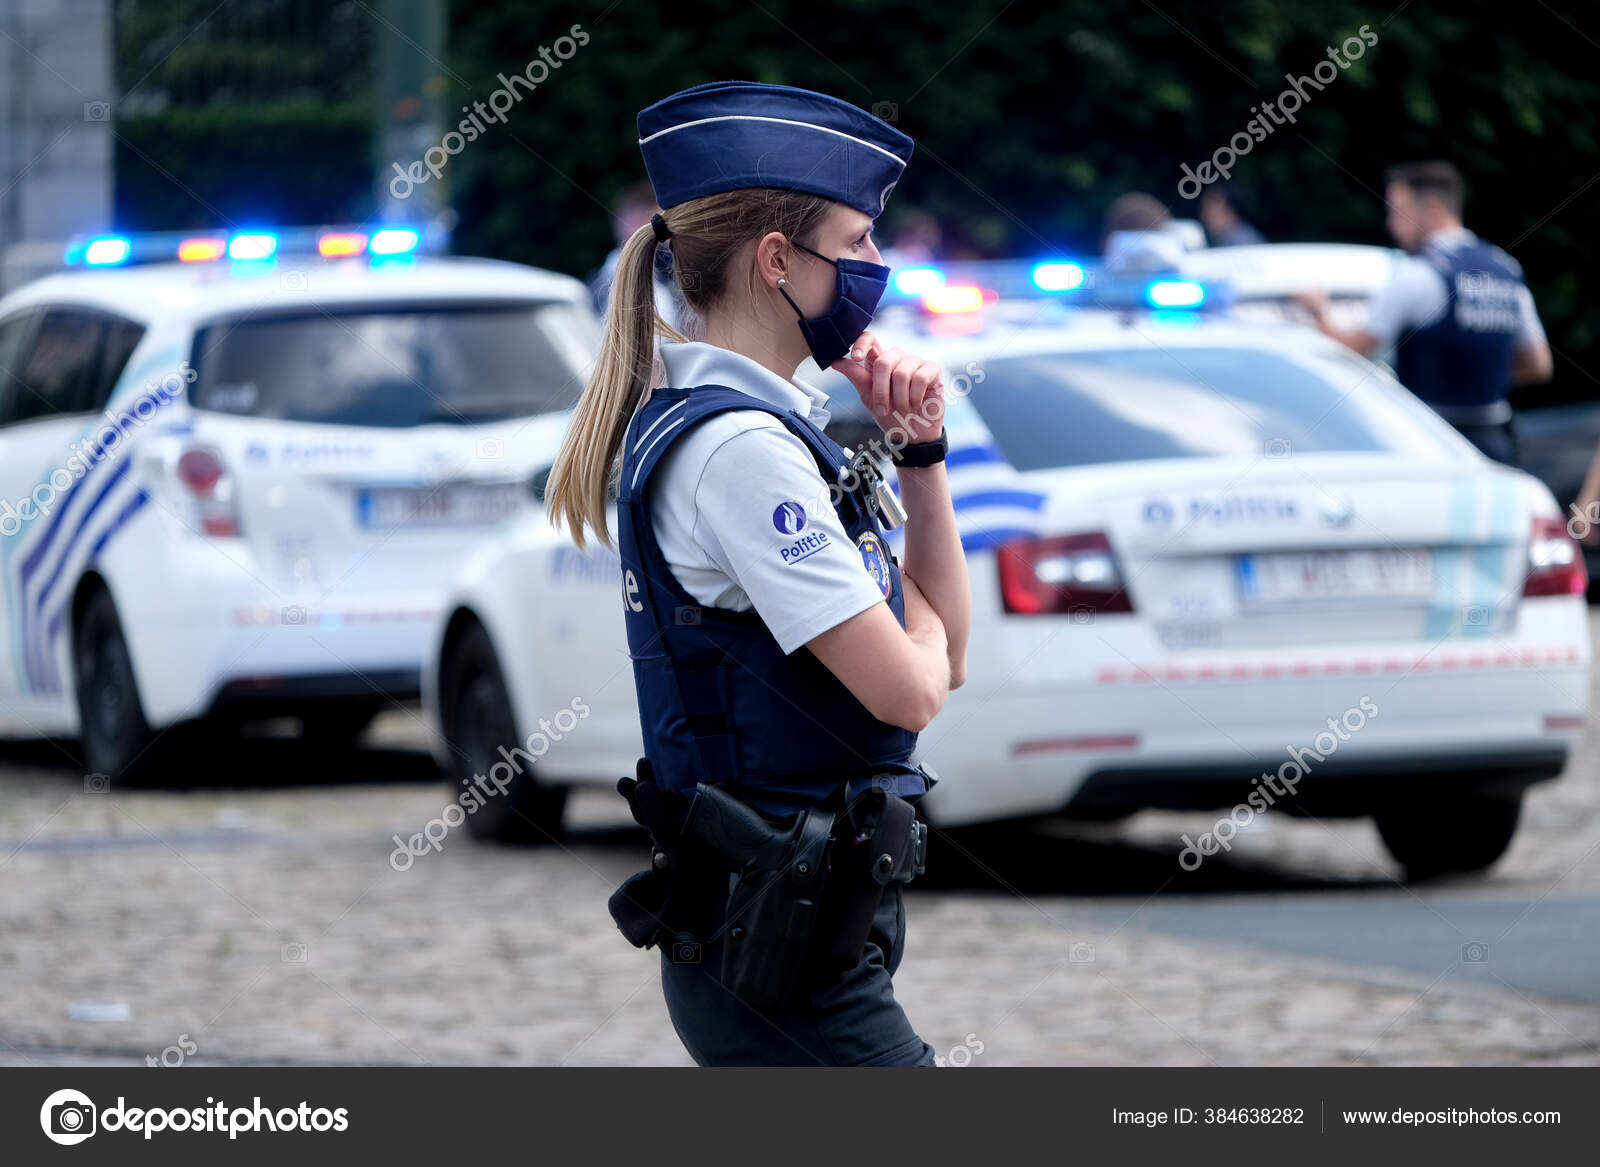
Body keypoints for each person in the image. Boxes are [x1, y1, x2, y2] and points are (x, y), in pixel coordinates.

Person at [546, 80, 970, 1067]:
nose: (875, 265)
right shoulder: (742, 451)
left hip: (811, 937)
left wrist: (923, 454)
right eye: (859, 241)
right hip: (778, 957)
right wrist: (927, 641)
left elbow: (947, 661)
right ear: (778, 261)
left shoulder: (779, 431)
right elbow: (912, 688)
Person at [1295, 161, 1552, 465]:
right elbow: (1538, 365)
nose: (1392, 224)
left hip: (1432, 446)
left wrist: (1319, 312)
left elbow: (1351, 353)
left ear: (1430, 208)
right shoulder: (1505, 268)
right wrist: (1478, 376)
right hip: (1495, 445)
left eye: (1397, 211)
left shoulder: (1418, 274)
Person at [588, 180, 684, 331]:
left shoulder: (602, 280)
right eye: (664, 230)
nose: (669, 240)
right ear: (637, 226)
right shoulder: (631, 283)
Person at [1199, 186, 1265, 247]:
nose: (1204, 217)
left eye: (1210, 209)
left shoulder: (1244, 242)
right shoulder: (1220, 239)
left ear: (1230, 211)